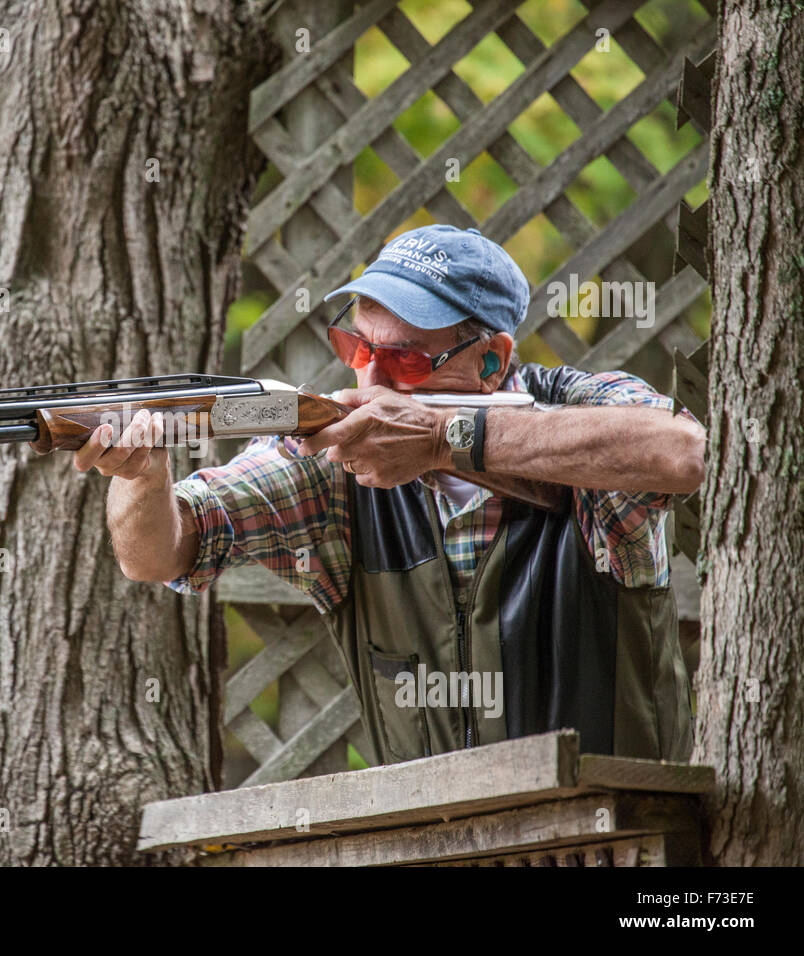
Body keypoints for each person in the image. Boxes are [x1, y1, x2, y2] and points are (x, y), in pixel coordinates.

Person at [73, 224, 704, 765]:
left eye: (404, 360)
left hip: (618, 833)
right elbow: (159, 553)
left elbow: (681, 452)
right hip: (435, 840)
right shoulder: (332, 454)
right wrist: (141, 478)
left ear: (491, 361)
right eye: (357, 347)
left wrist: (441, 438)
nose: (371, 379)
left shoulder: (582, 412)